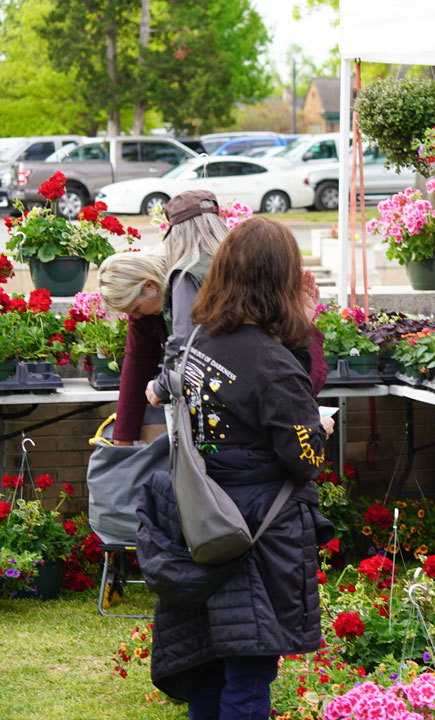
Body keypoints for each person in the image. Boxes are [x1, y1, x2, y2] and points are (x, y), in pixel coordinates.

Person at [137, 216, 337, 720]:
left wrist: (297, 334)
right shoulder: (272, 363)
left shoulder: (198, 342)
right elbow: (305, 460)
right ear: (280, 281)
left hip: (200, 517)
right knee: (249, 672)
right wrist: (319, 430)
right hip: (257, 533)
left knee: (207, 664)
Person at [107, 190, 227, 447]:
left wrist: (161, 386)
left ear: (150, 286)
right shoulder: (147, 309)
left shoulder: (190, 279)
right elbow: (136, 366)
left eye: (134, 308)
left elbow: (189, 349)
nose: (135, 316)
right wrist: (122, 441)